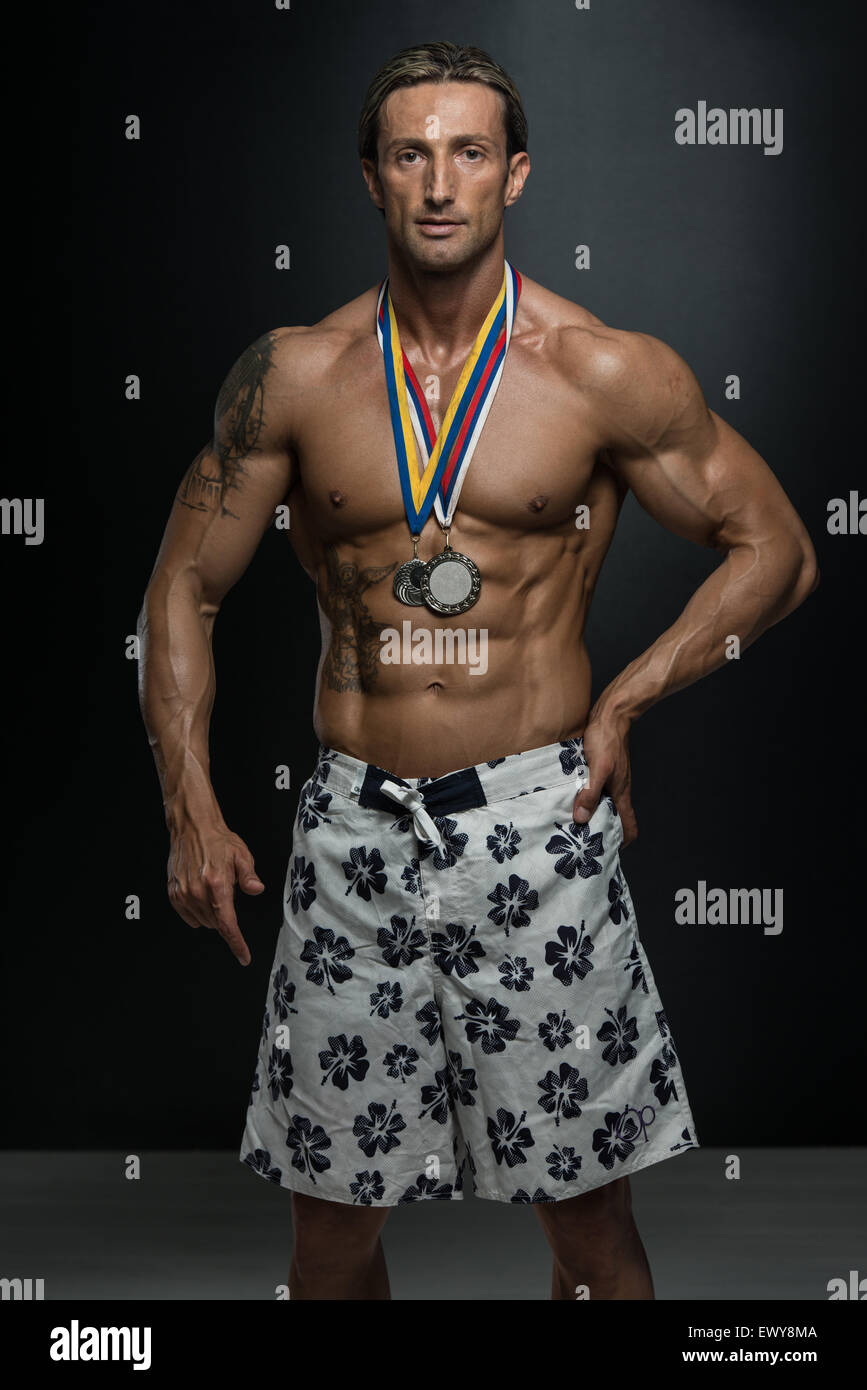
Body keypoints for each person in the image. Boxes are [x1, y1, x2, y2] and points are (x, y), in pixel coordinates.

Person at [137, 41, 819, 1300]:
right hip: (353, 834)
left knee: (590, 1232)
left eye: (467, 152)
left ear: (515, 175)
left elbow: (775, 549)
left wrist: (629, 694)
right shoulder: (291, 376)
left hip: (536, 826)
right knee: (332, 1236)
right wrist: (188, 803)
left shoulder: (606, 371)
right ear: (371, 178)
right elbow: (182, 584)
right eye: (410, 153)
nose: (439, 183)